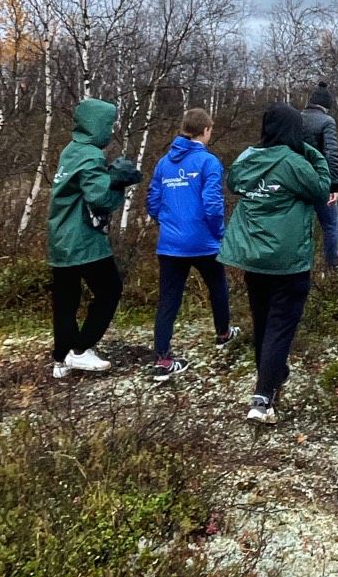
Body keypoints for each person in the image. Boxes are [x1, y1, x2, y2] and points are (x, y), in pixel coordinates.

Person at [219, 103, 332, 424]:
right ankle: (262, 398)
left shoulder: (248, 159)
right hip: (288, 261)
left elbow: (234, 183)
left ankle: (273, 376)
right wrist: (316, 156)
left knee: (264, 323)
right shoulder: (295, 163)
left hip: (253, 257)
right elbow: (321, 189)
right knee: (280, 328)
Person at [46, 99, 142, 380]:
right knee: (110, 289)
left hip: (59, 237)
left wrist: (109, 178)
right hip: (83, 240)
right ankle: (81, 349)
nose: (111, 130)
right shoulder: (90, 155)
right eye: (109, 125)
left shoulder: (70, 151)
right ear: (97, 125)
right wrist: (119, 182)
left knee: (66, 300)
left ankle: (60, 359)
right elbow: (100, 198)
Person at [146, 107, 234, 381]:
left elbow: (152, 202)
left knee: (168, 301)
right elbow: (213, 204)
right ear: (206, 130)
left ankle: (163, 359)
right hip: (204, 242)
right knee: (218, 286)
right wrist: (219, 233)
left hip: (170, 245)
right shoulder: (209, 162)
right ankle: (223, 334)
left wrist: (169, 223)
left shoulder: (164, 163)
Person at [299, 83, 338, 270]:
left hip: (299, 182)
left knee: (302, 227)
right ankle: (331, 268)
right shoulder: (327, 121)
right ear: (326, 106)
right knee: (331, 226)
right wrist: (335, 185)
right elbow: (331, 153)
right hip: (321, 182)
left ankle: (302, 266)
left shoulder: (296, 119)